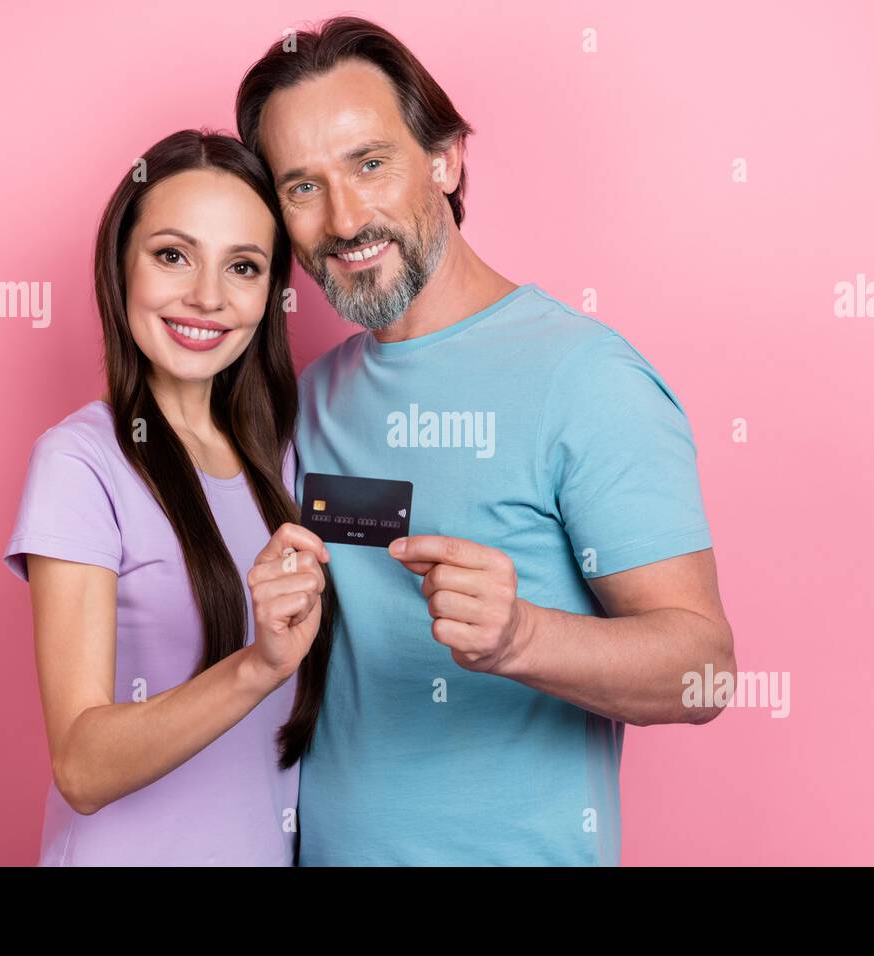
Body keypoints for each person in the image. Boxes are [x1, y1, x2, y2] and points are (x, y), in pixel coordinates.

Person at [234, 16, 737, 865]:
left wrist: (522, 638)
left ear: (445, 160)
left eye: (370, 162)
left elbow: (707, 672)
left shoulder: (585, 379)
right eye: (302, 186)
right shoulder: (309, 399)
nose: (346, 217)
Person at [3, 129, 335, 865]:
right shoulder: (80, 462)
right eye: (173, 255)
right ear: (121, 264)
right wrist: (258, 664)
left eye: (243, 266)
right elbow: (82, 767)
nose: (208, 297)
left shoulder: (286, 457)